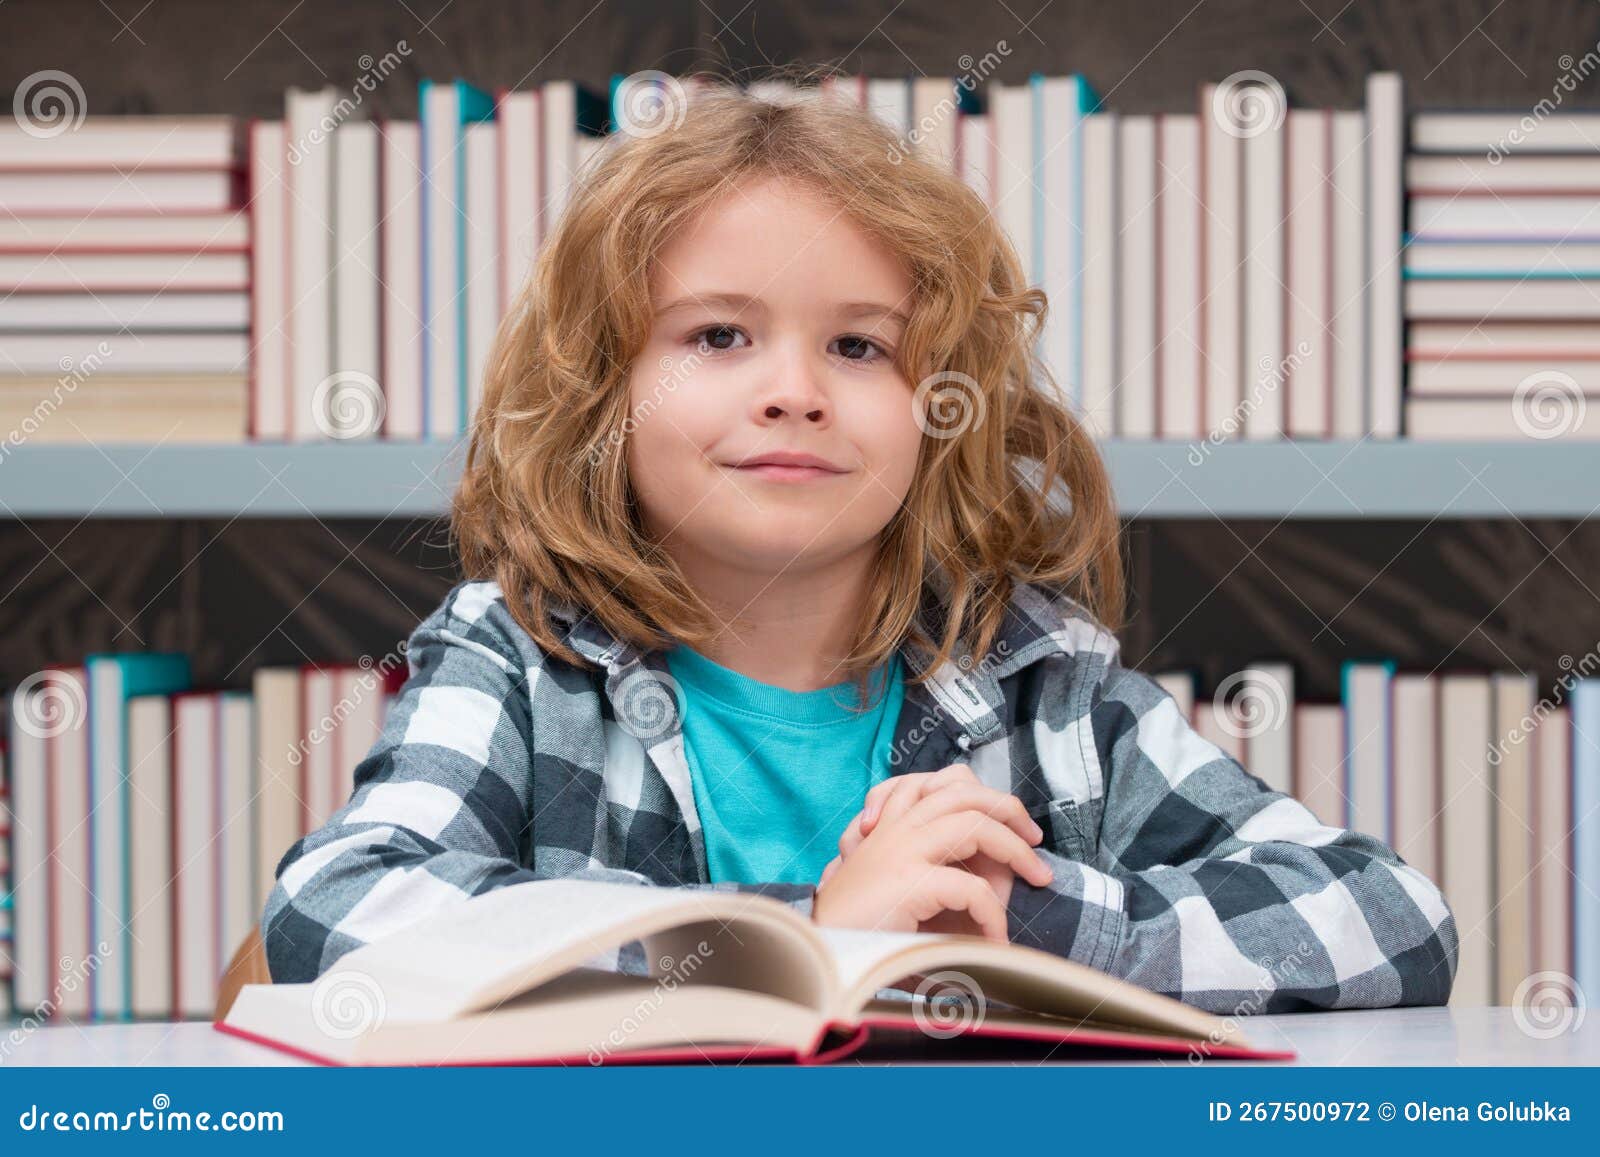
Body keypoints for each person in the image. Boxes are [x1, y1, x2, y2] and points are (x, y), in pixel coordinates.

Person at [261, 81, 1457, 1013]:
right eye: (719, 334)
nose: (792, 391)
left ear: (940, 410)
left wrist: (1020, 921)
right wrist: (808, 935)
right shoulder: (520, 657)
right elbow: (337, 909)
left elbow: (1392, 915)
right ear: (597, 397)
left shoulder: (1042, 680)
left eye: (859, 348)